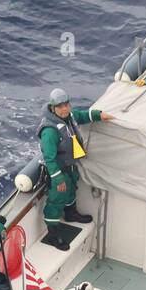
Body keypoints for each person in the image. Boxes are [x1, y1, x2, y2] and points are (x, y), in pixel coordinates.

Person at [39, 88, 114, 249]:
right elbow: (49, 158)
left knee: (72, 189)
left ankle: (71, 214)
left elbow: (80, 116)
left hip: (70, 166)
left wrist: (98, 115)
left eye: (66, 104)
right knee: (56, 201)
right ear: (53, 108)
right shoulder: (49, 132)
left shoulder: (68, 116)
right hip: (59, 170)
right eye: (60, 106)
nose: (65, 108)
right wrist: (58, 178)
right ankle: (52, 235)